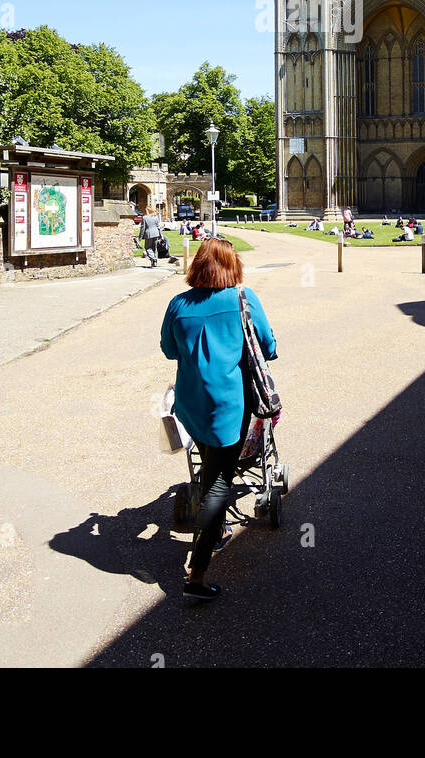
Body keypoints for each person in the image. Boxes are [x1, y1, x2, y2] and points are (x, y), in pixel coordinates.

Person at [160, 238, 277, 604]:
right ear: (232, 265)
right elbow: (268, 345)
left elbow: (168, 349)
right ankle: (197, 573)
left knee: (210, 467)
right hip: (229, 403)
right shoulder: (243, 299)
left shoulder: (178, 304)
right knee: (218, 483)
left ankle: (213, 526)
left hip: (192, 403)